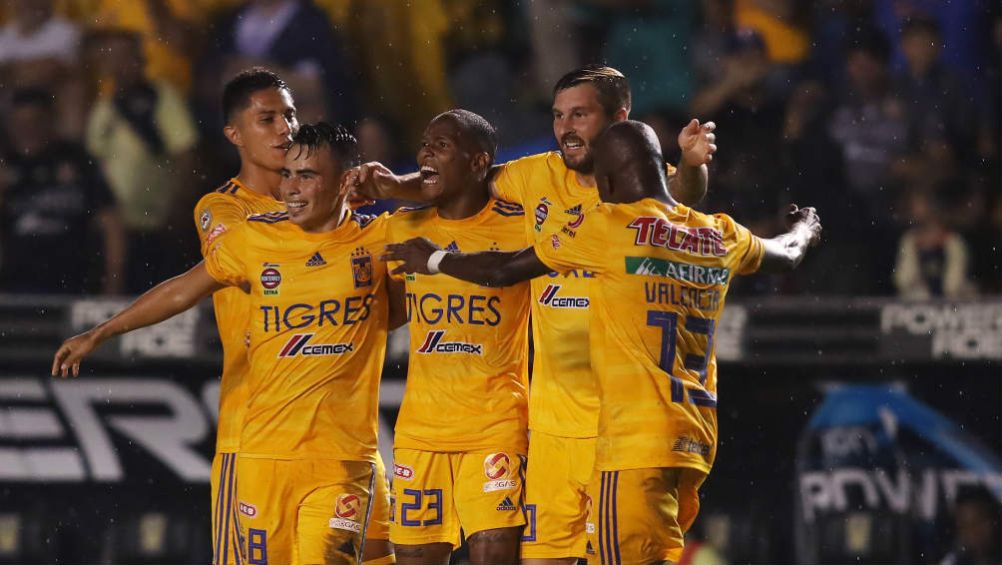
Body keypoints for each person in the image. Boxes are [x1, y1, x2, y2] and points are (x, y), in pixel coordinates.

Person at [384, 120, 822, 563]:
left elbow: (503, 269)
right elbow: (788, 254)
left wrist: (435, 259)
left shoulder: (611, 226)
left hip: (632, 445)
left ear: (607, 183)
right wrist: (806, 226)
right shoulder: (717, 232)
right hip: (693, 441)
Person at [355, 65, 716, 564]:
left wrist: (693, 165)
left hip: (624, 429)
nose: (566, 128)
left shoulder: (635, 186)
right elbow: (466, 178)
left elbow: (681, 196)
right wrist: (394, 185)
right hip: (551, 431)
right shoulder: (534, 177)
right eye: (558, 115)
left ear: (619, 119)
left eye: (580, 115)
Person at [53, 123, 404, 565]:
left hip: (342, 459)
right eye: (288, 174)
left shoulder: (381, 239)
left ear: (346, 180)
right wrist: (100, 333)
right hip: (261, 457)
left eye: (307, 176)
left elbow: (456, 205)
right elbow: (182, 291)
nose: (291, 188)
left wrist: (397, 186)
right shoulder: (254, 239)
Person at [384, 110, 529, 564]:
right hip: (420, 431)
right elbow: (391, 314)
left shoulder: (523, 223)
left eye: (441, 145)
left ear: (478, 161)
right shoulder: (402, 226)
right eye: (424, 144)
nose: (425, 153)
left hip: (496, 424)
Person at [0, 88, 125, 295]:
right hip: (17, 290)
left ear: (50, 120)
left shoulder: (77, 159)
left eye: (35, 122)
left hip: (74, 285)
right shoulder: (6, 164)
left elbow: (111, 222)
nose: (28, 130)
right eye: (20, 124)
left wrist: (113, 284)